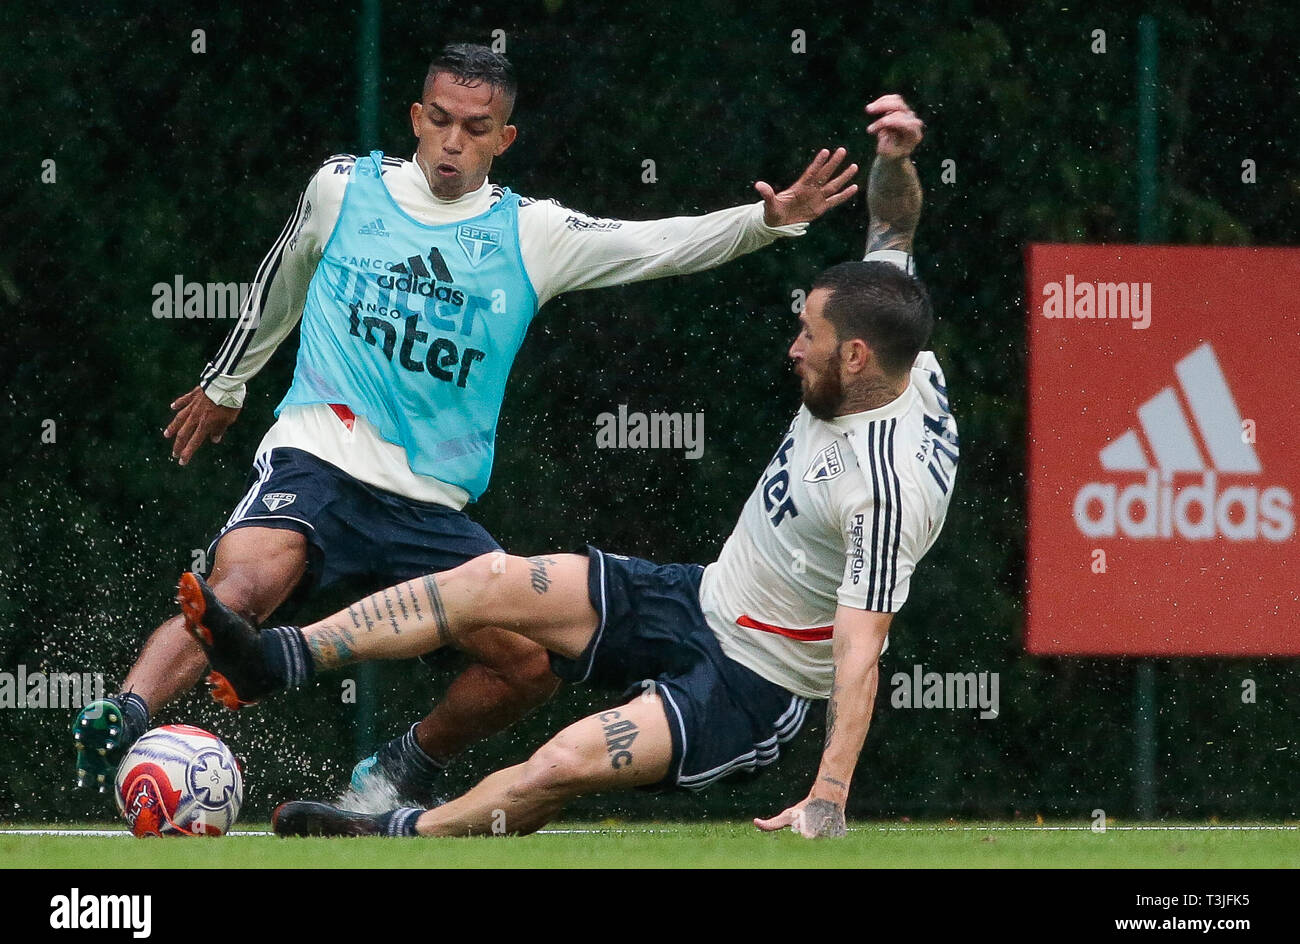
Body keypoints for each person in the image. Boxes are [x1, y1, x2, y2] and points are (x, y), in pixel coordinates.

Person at [72, 43, 860, 800]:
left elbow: (654, 245)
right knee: (243, 585)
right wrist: (227, 382)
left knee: (529, 662)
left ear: (504, 138)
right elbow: (285, 273)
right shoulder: (343, 188)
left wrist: (769, 221)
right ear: (416, 116)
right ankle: (127, 714)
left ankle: (403, 768)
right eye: (441, 119)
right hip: (318, 456)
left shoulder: (531, 233)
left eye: (476, 128)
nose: (454, 142)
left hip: (430, 503)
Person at [177, 95, 956, 838]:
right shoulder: (898, 348)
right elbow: (891, 226)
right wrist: (896, 156)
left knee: (559, 762)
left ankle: (395, 827)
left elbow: (860, 656)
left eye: (809, 338)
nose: (793, 349)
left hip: (756, 685)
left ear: (855, 357)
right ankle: (281, 657)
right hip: (697, 598)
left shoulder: (885, 488)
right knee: (491, 580)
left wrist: (827, 798)